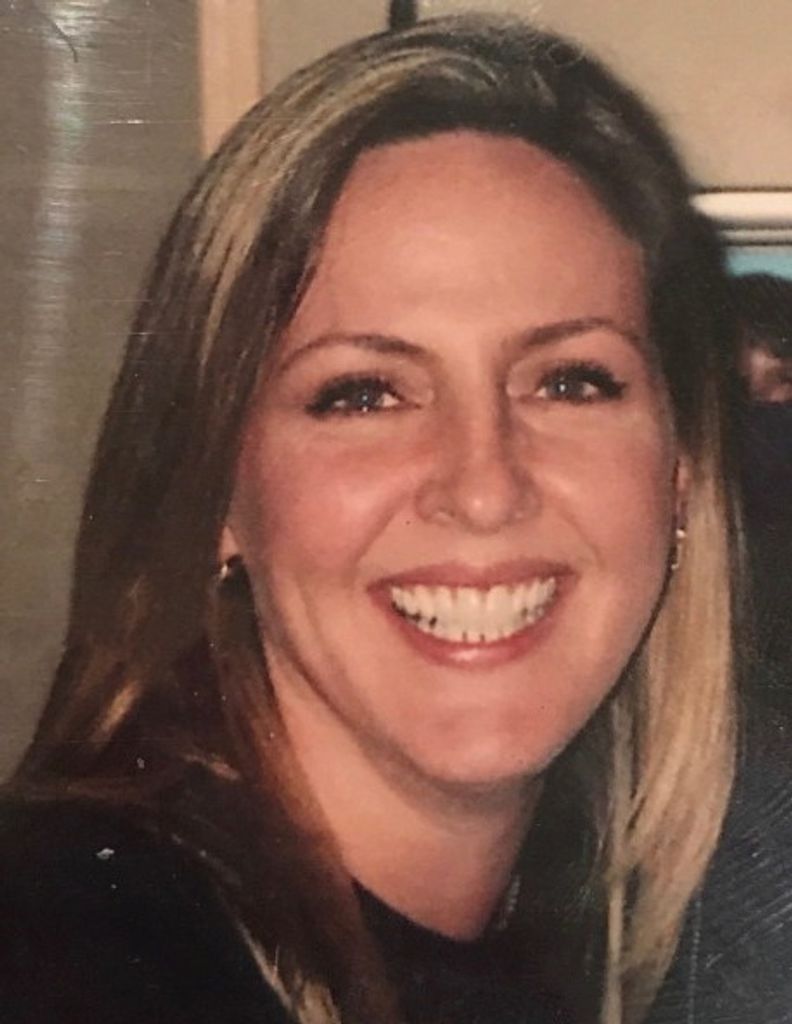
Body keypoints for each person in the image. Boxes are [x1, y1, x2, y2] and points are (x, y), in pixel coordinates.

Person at [2, 14, 791, 1024]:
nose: (484, 486)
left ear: (682, 470)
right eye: (364, 394)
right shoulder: (65, 948)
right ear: (213, 492)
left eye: (569, 381)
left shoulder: (689, 932)